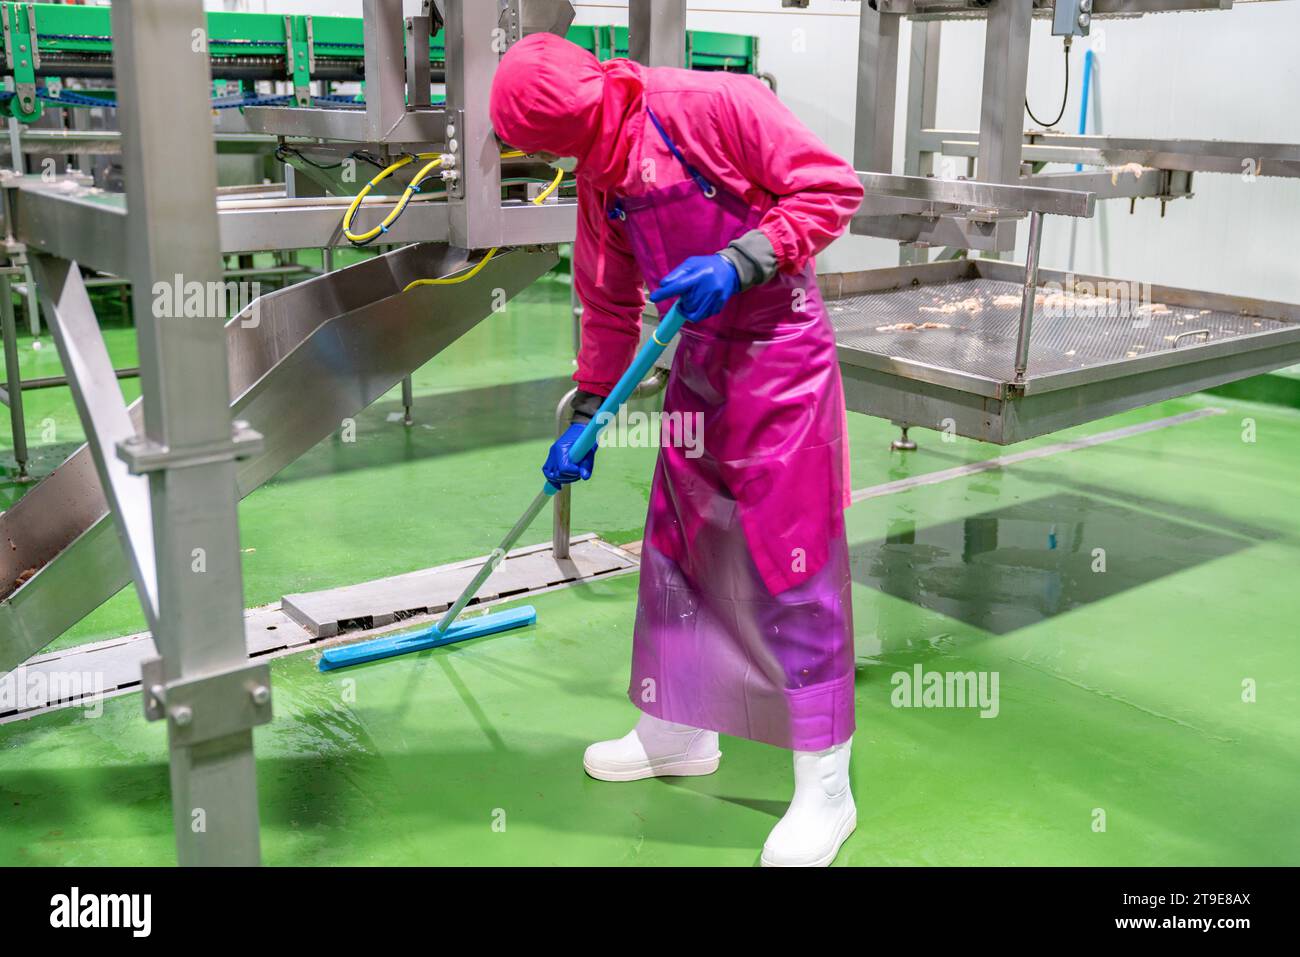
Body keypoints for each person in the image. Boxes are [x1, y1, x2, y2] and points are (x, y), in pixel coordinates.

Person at [490, 32, 864, 867]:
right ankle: (677, 727)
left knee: (788, 563)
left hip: (780, 361)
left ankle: (826, 786)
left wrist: (744, 258)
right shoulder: (598, 170)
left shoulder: (717, 106)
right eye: (575, 155)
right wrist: (587, 409)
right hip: (701, 367)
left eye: (590, 143)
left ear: (600, 95)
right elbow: (608, 300)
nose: (597, 165)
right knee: (680, 551)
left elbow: (833, 188)